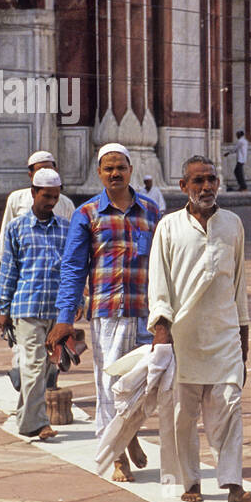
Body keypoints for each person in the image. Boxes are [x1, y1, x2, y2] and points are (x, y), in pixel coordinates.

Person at [48, 143, 162, 482]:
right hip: (108, 313)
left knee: (147, 384)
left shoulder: (151, 211)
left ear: (130, 169)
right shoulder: (87, 214)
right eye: (108, 168)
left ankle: (129, 436)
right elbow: (72, 267)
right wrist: (65, 317)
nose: (115, 173)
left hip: (147, 309)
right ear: (99, 173)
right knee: (110, 383)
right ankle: (116, 457)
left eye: (120, 167)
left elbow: (164, 261)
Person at [148, 156, 251, 502]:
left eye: (211, 179)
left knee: (228, 407)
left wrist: (243, 336)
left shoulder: (232, 224)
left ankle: (233, 482)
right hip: (184, 337)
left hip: (224, 333)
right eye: (198, 181)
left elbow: (239, 283)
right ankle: (190, 481)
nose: (206, 187)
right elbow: (159, 283)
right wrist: (162, 331)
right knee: (184, 415)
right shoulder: (168, 227)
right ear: (184, 186)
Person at [0, 168, 69, 441]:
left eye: (55, 197)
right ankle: (38, 423)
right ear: (34, 193)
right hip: (26, 307)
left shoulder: (66, 229)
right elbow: (9, 270)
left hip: (56, 309)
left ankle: (25, 418)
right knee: (34, 366)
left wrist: (75, 302)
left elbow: (73, 269)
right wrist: (3, 309)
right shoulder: (16, 228)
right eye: (46, 196)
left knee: (47, 368)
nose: (50, 202)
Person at [0, 151, 76, 295]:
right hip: (25, 271)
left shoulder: (66, 203)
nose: (51, 202)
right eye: (40, 170)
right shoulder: (17, 199)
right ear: (31, 175)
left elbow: (73, 246)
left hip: (54, 278)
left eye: (49, 169)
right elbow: (5, 239)